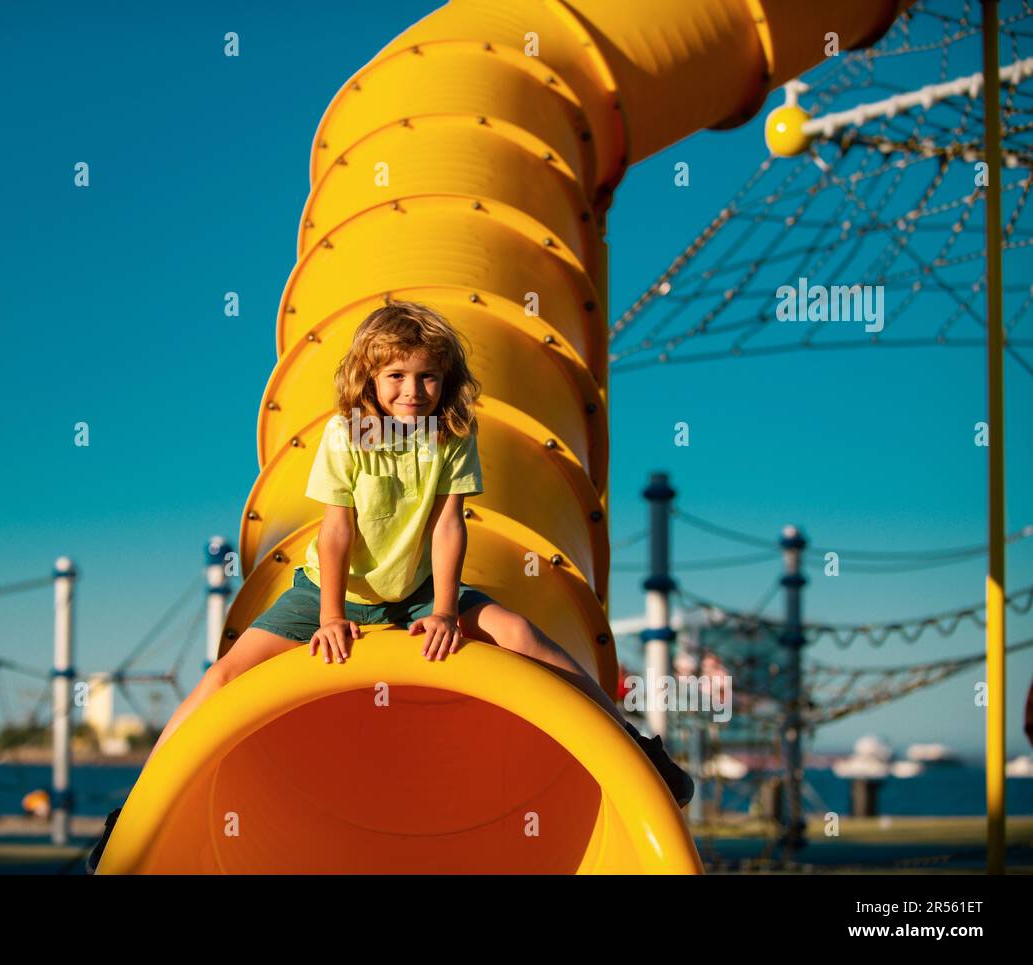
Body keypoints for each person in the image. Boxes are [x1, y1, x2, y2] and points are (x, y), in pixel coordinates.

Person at [86, 301, 691, 872]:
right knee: (222, 678)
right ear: (368, 380)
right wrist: (328, 618)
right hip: (333, 591)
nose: (412, 391)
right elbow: (335, 534)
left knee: (522, 635)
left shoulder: (451, 435)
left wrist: (448, 611)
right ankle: (133, 813)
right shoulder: (345, 438)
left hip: (421, 592)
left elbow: (450, 527)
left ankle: (638, 750)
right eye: (396, 375)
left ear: (446, 381)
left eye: (428, 377)